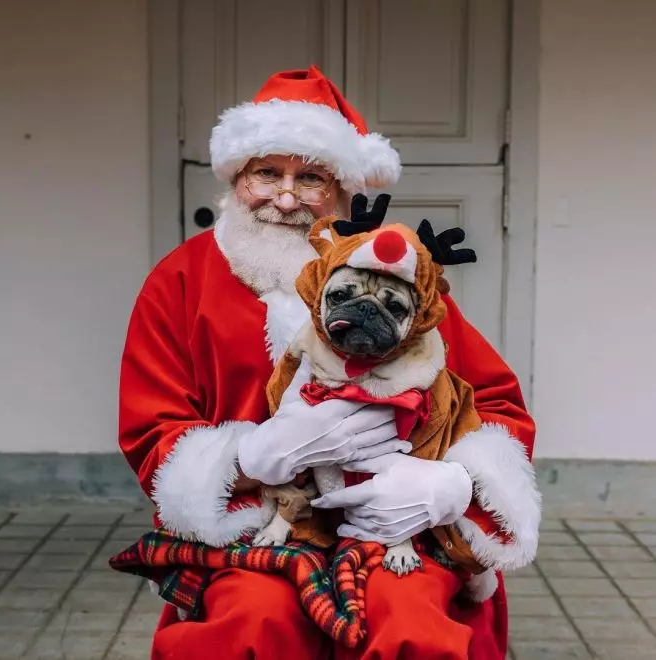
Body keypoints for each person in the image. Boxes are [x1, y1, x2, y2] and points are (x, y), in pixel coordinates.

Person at [119, 66, 540, 660]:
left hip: (397, 525)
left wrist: (452, 483)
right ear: (237, 176)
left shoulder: (400, 282)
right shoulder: (179, 280)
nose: (286, 198)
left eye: (311, 178)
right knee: (251, 623)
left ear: (341, 191)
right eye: (267, 173)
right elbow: (152, 426)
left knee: (408, 626)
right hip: (254, 521)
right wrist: (248, 459)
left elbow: (495, 405)